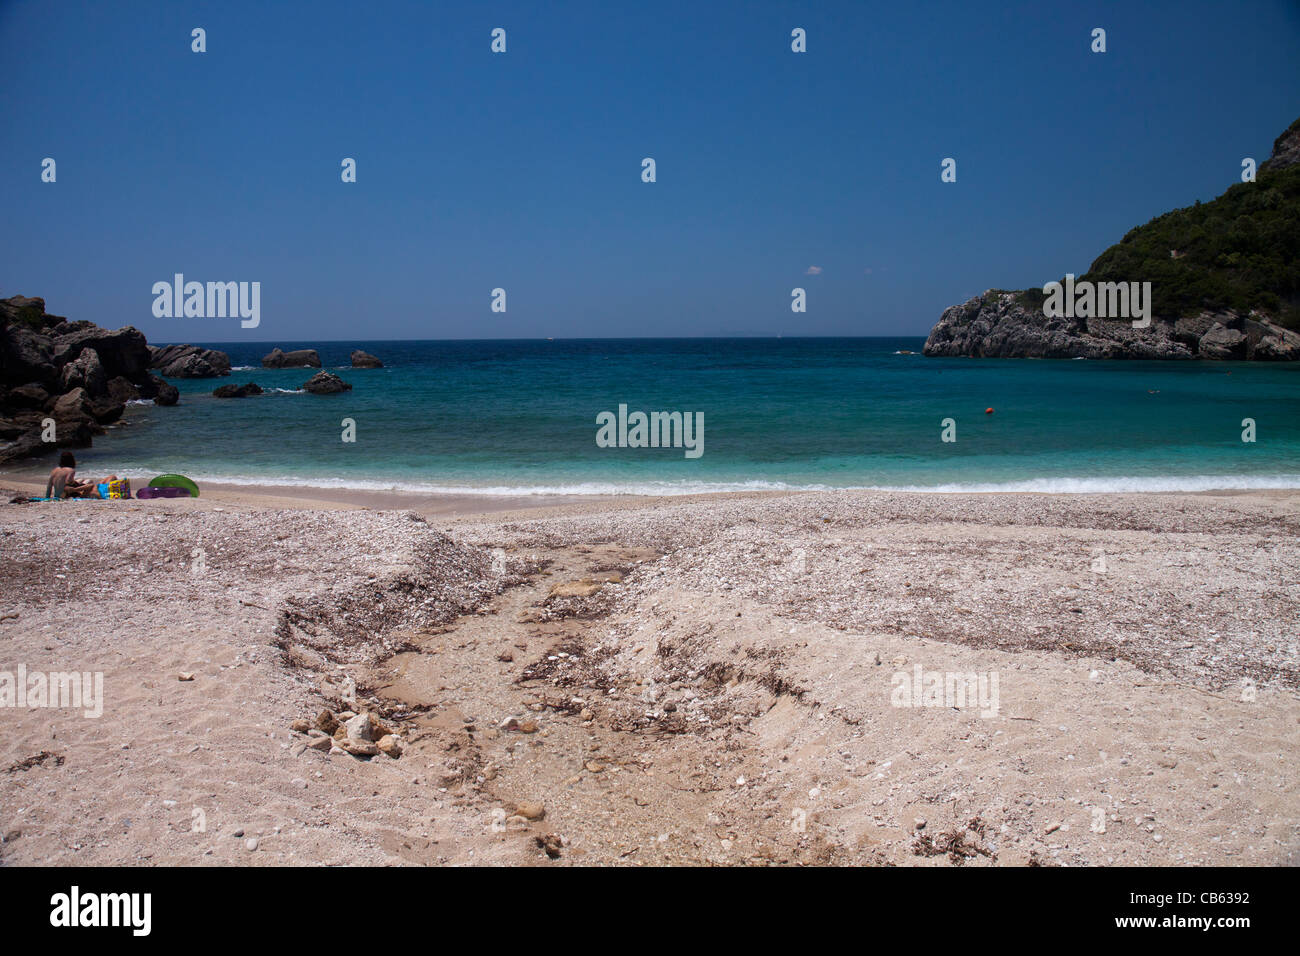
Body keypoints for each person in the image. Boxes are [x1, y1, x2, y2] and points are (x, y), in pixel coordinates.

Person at [44, 452, 121, 499]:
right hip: (71, 493)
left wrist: (47, 498)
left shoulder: (55, 470)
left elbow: (49, 486)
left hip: (62, 494)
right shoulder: (70, 470)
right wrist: (74, 487)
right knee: (112, 477)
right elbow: (68, 482)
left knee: (105, 479)